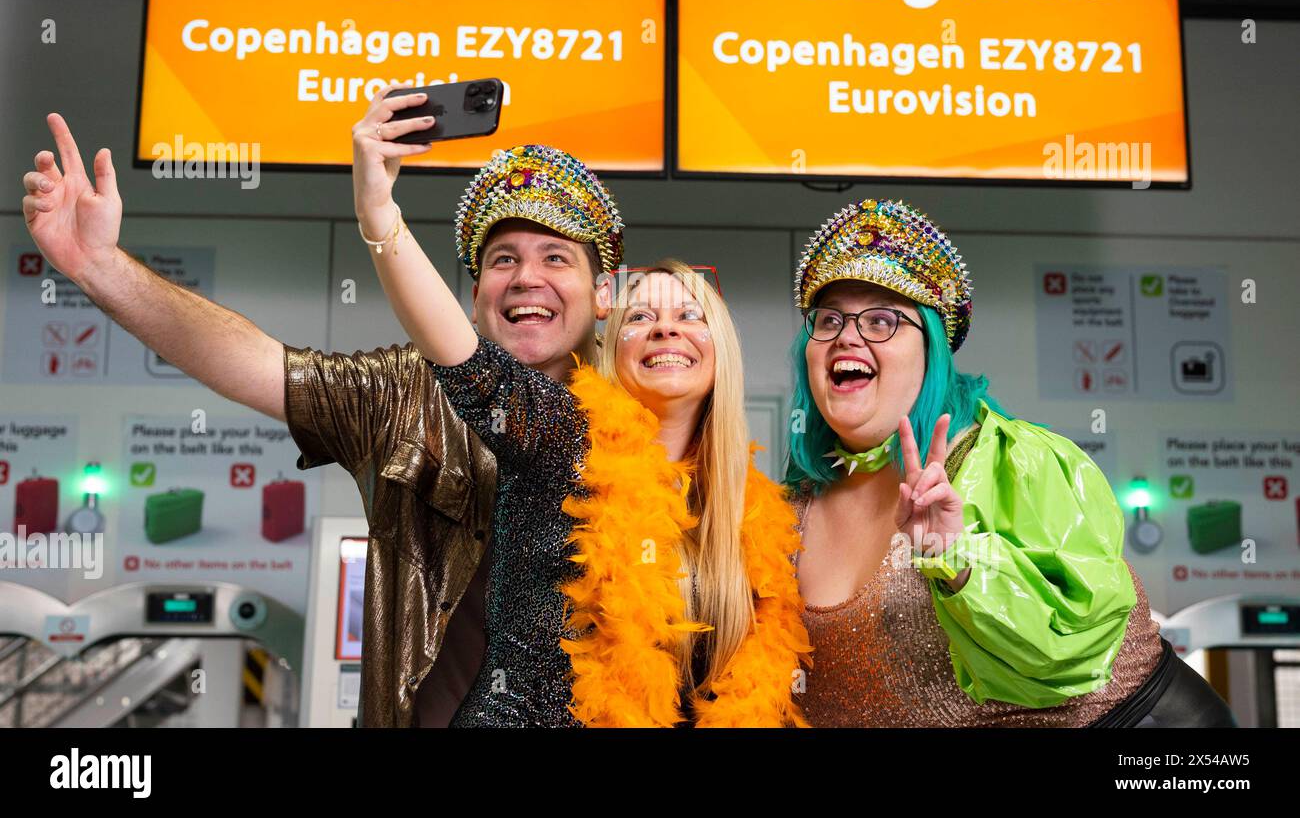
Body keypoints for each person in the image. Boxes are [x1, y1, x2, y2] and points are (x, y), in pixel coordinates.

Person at [18, 97, 615, 727]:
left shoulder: (653, 427)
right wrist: (100, 266)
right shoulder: (405, 396)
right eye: (503, 260)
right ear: (470, 300)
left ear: (604, 294)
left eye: (556, 257)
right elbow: (251, 363)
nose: (526, 277)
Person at [355, 104, 810, 725]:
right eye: (642, 316)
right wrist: (380, 216)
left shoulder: (751, 515)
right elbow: (457, 354)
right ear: (612, 341)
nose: (665, 330)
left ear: (720, 350)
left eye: (688, 315)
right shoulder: (566, 439)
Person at [784, 197, 1236, 727]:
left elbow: (1076, 652)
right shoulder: (784, 513)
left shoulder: (1013, 462)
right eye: (829, 318)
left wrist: (957, 561)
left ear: (932, 350)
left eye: (882, 320)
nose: (847, 336)